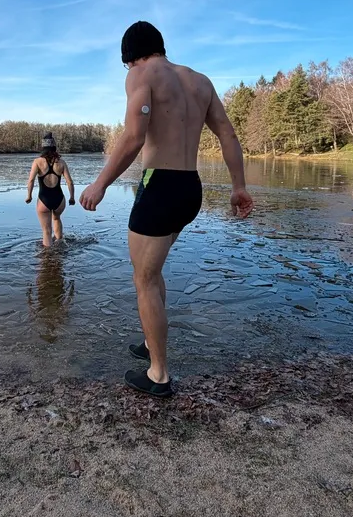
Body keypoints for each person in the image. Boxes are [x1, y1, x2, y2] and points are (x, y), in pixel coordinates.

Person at [80, 21, 254, 398]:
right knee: (152, 270)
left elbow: (133, 135)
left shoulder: (142, 74)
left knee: (142, 280)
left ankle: (158, 373)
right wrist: (238, 186)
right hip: (190, 188)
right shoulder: (200, 81)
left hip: (159, 186)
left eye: (127, 64)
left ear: (131, 57)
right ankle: (150, 339)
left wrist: (99, 184)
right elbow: (228, 133)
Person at [26, 133, 75, 247]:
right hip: (59, 200)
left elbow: (31, 180)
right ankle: (59, 244)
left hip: (44, 200)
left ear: (43, 147)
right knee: (56, 218)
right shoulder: (61, 162)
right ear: (54, 147)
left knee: (46, 231)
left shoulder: (37, 162)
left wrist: (29, 195)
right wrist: (72, 197)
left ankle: (48, 256)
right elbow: (70, 181)